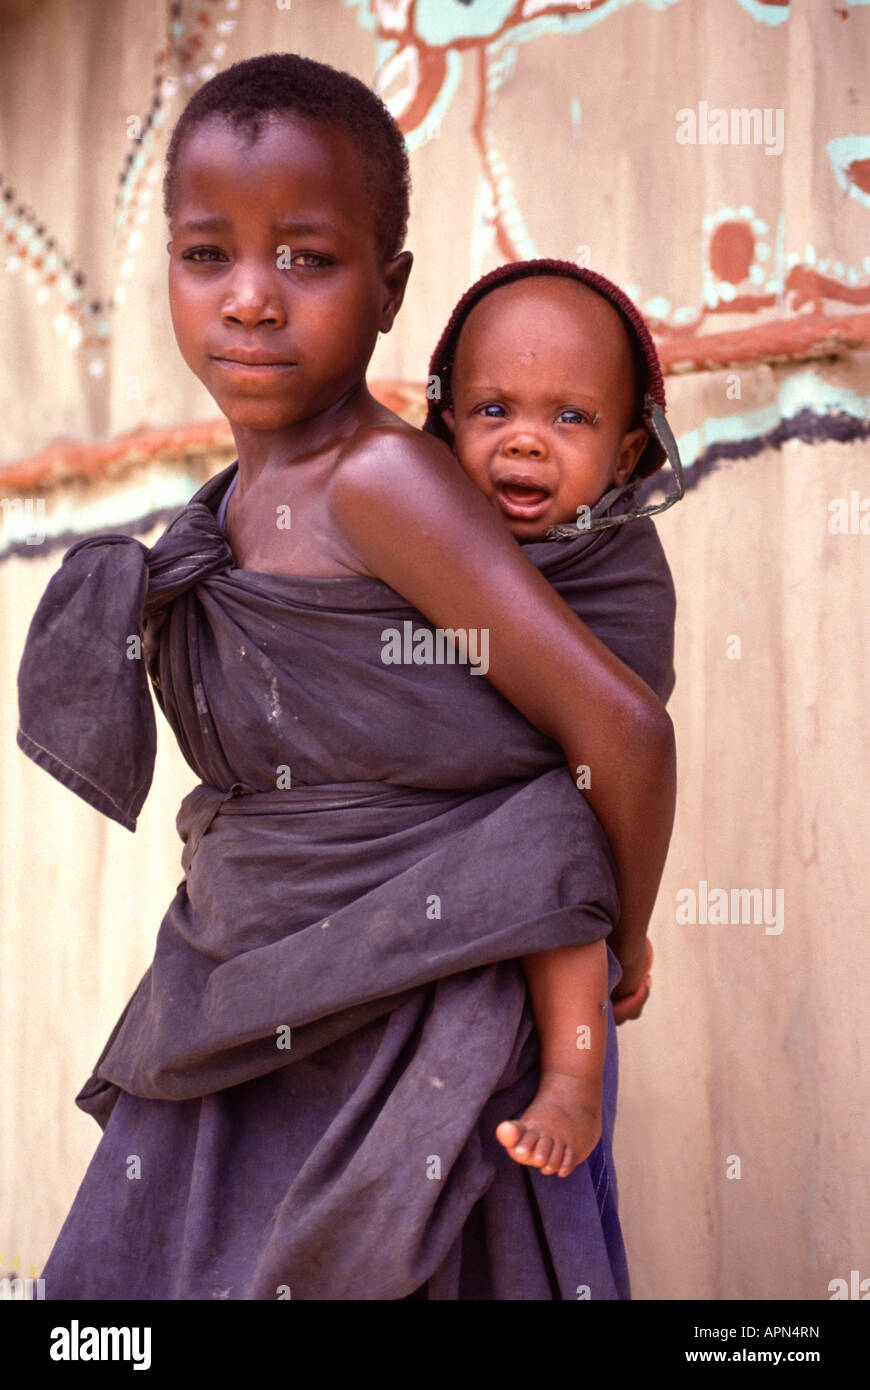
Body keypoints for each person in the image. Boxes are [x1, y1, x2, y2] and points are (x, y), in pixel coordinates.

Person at [16, 54, 676, 1300]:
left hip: (420, 1015)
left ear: (391, 290)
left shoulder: (378, 483)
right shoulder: (251, 492)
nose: (253, 300)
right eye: (209, 254)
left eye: (308, 260)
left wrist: (613, 929)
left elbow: (620, 729)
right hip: (256, 984)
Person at [422, 259, 681, 1180]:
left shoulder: (618, 565)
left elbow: (625, 726)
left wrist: (633, 930)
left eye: (569, 418)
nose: (526, 444)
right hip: (407, 837)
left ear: (623, 455)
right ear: (446, 422)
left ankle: (572, 1077)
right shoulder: (410, 530)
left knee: (555, 847)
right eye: (495, 411)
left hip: (538, 819)